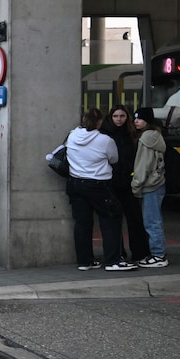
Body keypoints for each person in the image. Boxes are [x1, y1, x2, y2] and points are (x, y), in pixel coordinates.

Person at [66, 108, 137, 271]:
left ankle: (85, 261)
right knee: (111, 218)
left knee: (82, 223)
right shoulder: (105, 140)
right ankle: (113, 260)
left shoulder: (72, 135)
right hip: (98, 184)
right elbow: (114, 158)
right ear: (100, 122)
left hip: (75, 183)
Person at [101, 105, 151, 264]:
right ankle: (118, 253)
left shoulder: (132, 134)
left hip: (128, 182)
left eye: (122, 116)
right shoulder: (105, 134)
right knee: (114, 220)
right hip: (112, 182)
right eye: (116, 116)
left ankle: (140, 253)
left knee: (134, 218)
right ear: (111, 117)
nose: (119, 119)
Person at [131, 108, 170, 268]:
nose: (135, 121)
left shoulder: (146, 139)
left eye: (139, 119)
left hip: (150, 184)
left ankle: (158, 255)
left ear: (147, 121)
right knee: (154, 220)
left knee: (151, 221)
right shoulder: (156, 136)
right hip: (158, 181)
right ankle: (158, 253)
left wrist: (135, 185)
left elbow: (142, 166)